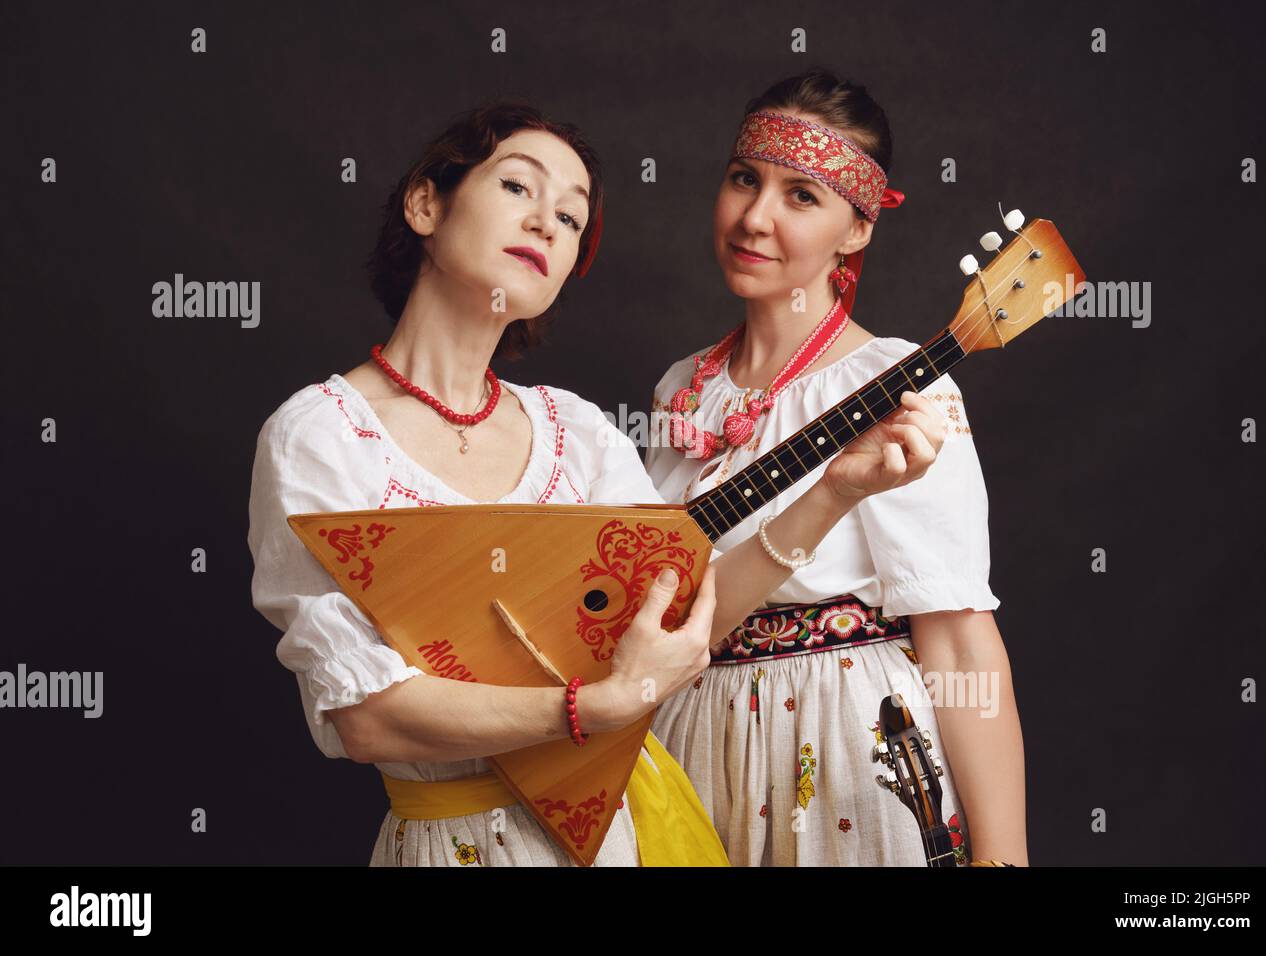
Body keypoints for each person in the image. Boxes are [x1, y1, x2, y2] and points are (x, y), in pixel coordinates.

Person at [247, 99, 950, 867]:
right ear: (425, 202)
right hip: (451, 844)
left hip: (622, 838)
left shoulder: (574, 432)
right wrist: (597, 706)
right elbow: (368, 719)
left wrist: (833, 493)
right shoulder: (320, 436)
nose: (548, 223)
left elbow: (685, 613)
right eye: (519, 187)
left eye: (573, 218)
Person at [645, 69, 1029, 867]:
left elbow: (958, 643)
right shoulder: (683, 389)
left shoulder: (893, 383)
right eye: (745, 179)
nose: (754, 217)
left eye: (802, 196)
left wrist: (1004, 859)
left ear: (857, 231)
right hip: (686, 748)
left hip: (843, 747)